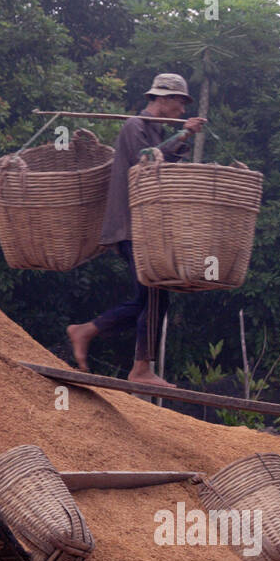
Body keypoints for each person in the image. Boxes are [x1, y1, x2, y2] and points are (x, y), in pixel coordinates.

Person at [66, 74, 207, 386]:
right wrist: (183, 135)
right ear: (163, 99)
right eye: (179, 102)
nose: (181, 108)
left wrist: (178, 139)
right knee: (155, 294)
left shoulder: (154, 130)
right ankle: (141, 368)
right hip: (132, 225)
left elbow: (164, 163)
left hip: (148, 226)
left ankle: (87, 330)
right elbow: (147, 161)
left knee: (149, 298)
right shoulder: (135, 126)